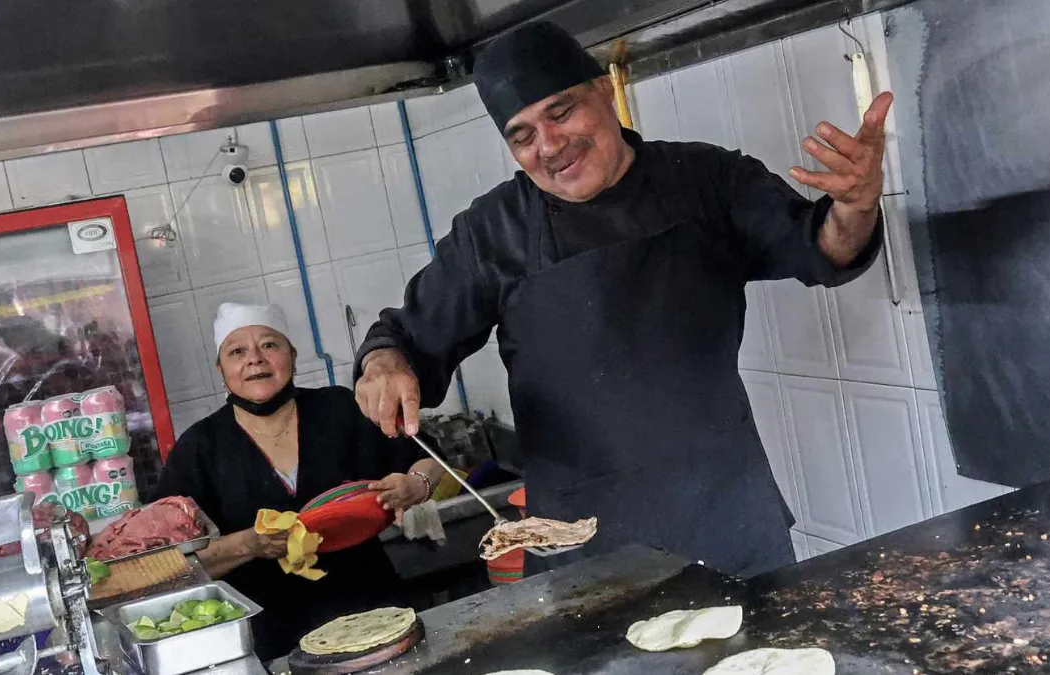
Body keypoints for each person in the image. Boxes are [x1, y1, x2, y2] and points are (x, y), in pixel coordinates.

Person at [353, 22, 891, 579]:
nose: (550, 146)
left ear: (604, 91)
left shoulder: (707, 179)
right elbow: (406, 338)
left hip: (727, 515)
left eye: (561, 113)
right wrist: (384, 363)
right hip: (581, 543)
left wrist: (855, 206)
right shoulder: (492, 231)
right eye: (523, 136)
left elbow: (821, 248)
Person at [153, 303, 443, 660]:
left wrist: (417, 485)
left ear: (291, 354)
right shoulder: (199, 447)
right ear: (221, 368)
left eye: (269, 345)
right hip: (274, 642)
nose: (255, 359)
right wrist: (249, 545)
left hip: (377, 614)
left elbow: (429, 457)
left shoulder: (340, 408)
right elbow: (173, 562)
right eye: (237, 351)